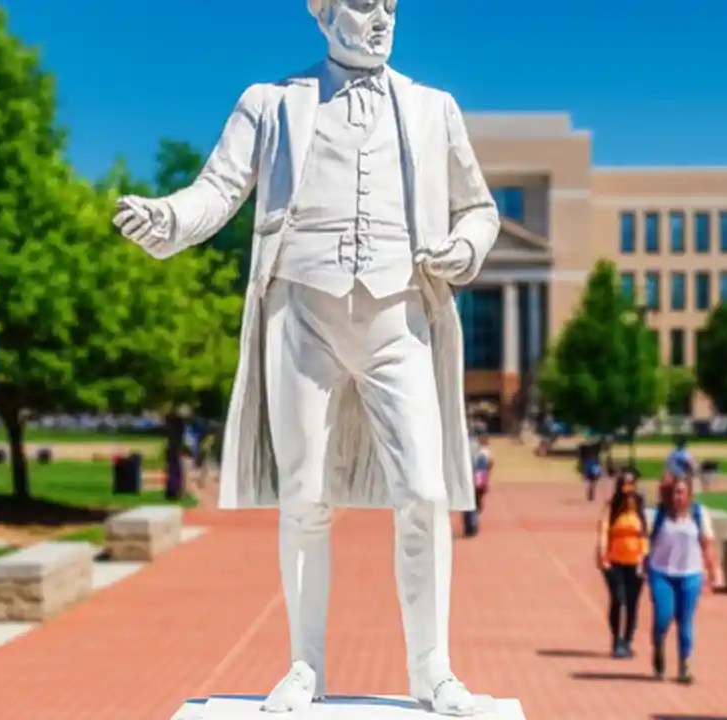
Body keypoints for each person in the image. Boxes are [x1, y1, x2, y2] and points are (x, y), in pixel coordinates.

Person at [112, 0, 499, 714]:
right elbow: (218, 190)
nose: (381, 18)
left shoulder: (432, 107)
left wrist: (466, 247)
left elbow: (480, 208)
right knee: (305, 495)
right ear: (322, 15)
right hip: (303, 313)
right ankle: (304, 667)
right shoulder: (270, 103)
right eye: (362, 3)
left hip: (398, 317)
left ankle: (432, 668)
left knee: (423, 491)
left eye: (390, 4)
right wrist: (168, 219)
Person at [645, 473, 717, 684]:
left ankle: (685, 667)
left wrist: (713, 572)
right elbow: (644, 541)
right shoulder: (657, 515)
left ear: (689, 494)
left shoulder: (699, 514)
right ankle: (658, 647)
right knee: (663, 617)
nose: (678, 497)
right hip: (662, 573)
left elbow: (707, 545)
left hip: (690, 574)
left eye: (682, 492)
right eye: (674, 492)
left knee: (685, 621)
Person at [595, 469, 648, 658]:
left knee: (633, 603)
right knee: (618, 599)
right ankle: (616, 639)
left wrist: (646, 559)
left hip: (636, 562)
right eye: (624, 483)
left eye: (631, 483)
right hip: (614, 561)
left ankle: (627, 639)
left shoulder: (640, 507)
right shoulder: (613, 507)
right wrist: (602, 554)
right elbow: (603, 529)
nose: (628, 488)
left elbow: (646, 535)